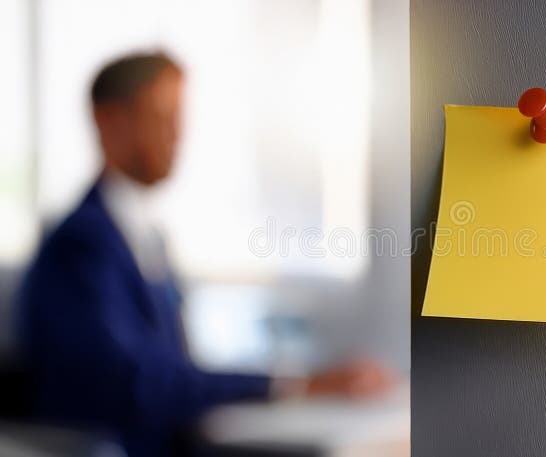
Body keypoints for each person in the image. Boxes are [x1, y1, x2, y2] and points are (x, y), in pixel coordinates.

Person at [16, 52, 389, 457]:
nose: (177, 134)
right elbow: (137, 384)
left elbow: (172, 369)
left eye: (180, 117)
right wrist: (291, 384)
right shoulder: (81, 245)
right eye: (162, 116)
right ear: (110, 121)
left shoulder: (143, 233)